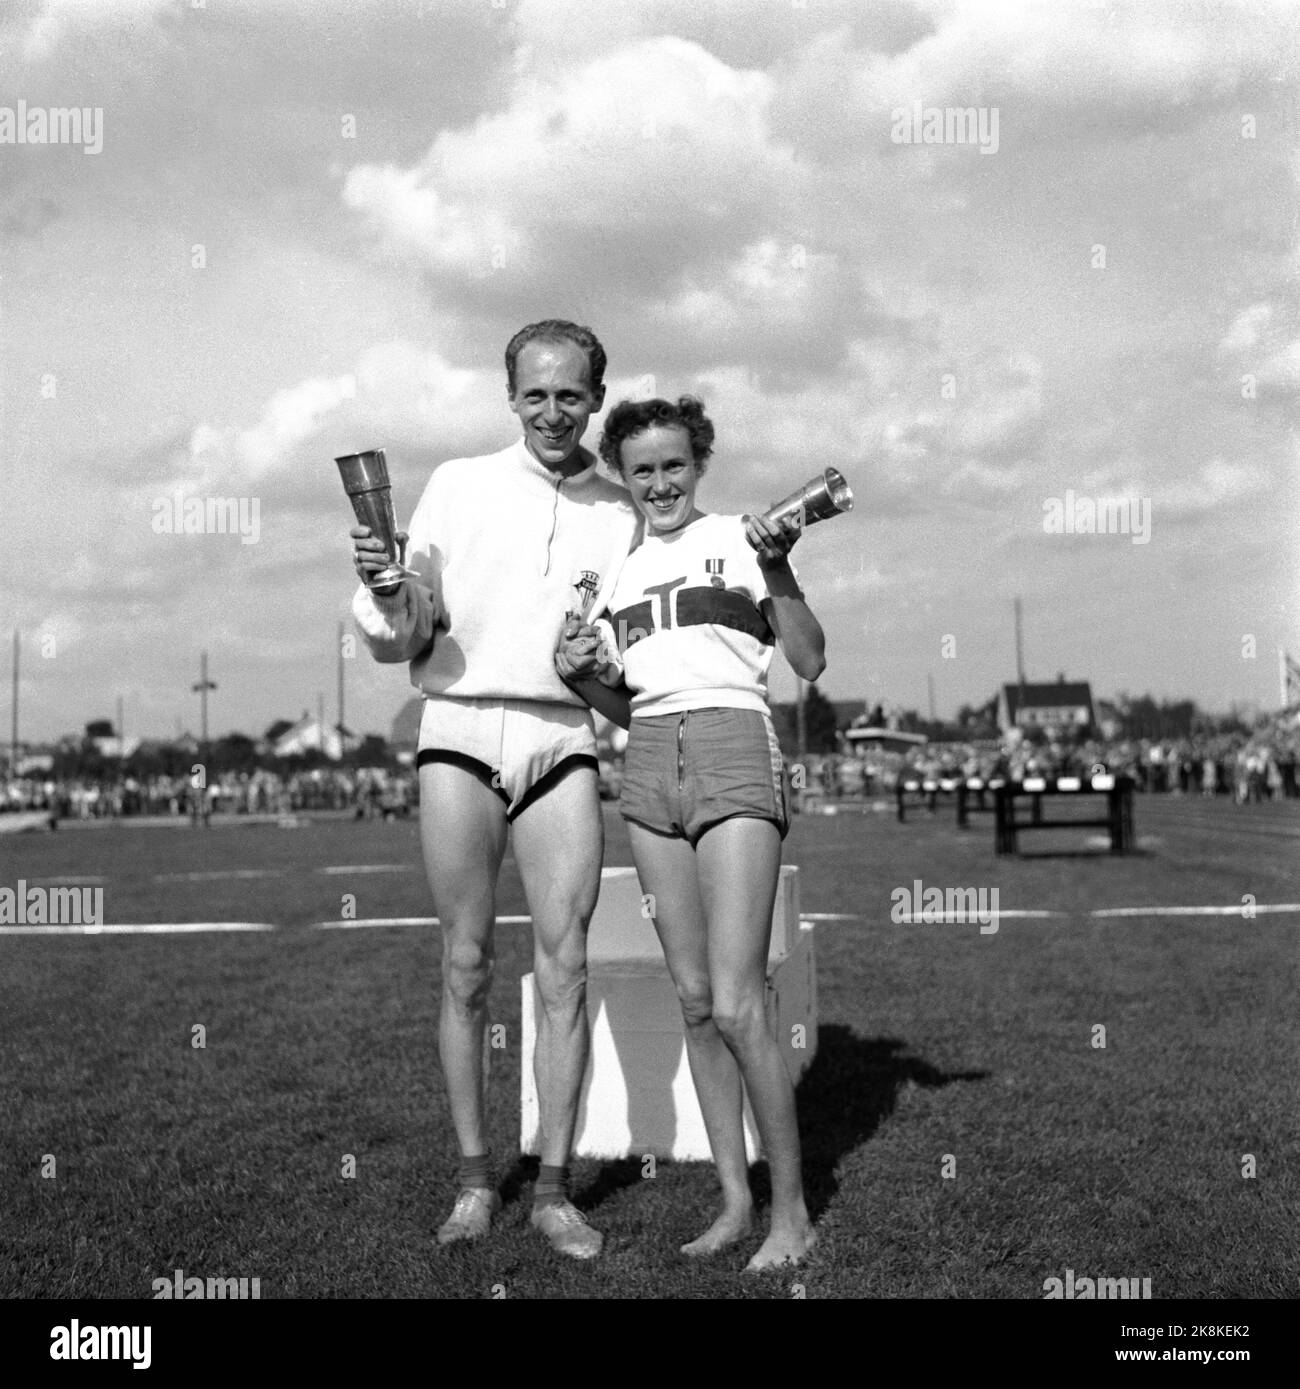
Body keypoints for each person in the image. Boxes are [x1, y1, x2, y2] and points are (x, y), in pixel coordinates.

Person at [349, 320, 639, 1258]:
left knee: (566, 965)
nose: (553, 410)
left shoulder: (623, 506)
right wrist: (388, 589)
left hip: (563, 735)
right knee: (465, 964)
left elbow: (629, 656)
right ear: (509, 395)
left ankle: (554, 1190)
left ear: (597, 397)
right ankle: (476, 1181)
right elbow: (405, 630)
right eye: (535, 393)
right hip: (461, 727)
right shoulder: (458, 484)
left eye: (571, 394)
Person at [556, 395, 824, 1271]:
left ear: (698, 462)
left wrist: (779, 571)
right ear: (623, 477)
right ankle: (736, 1202)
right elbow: (626, 706)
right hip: (646, 763)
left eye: (674, 464)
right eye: (642, 469)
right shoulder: (619, 573)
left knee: (744, 1000)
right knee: (697, 1000)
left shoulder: (744, 541)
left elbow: (811, 658)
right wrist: (578, 675)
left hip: (733, 743)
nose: (660, 481)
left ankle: (794, 1214)